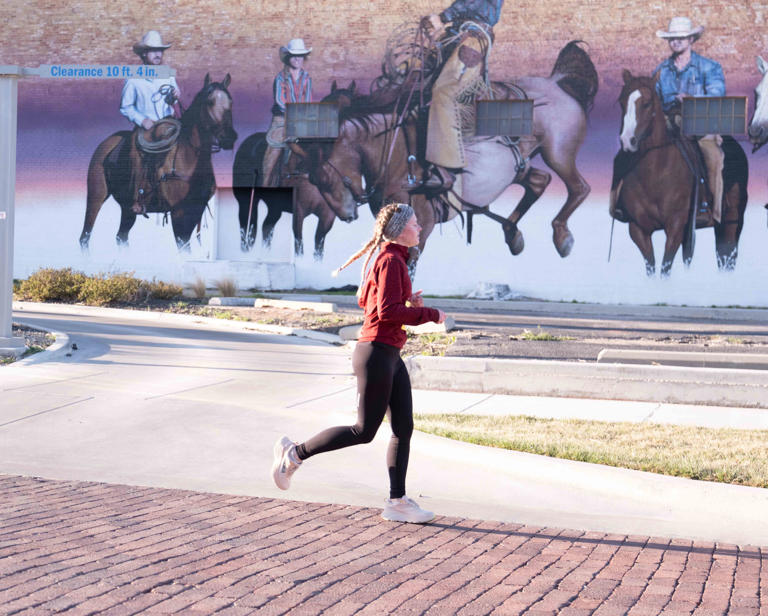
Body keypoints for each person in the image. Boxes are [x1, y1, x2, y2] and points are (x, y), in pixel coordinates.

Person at [272, 203, 447, 524]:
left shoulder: (391, 259)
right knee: (363, 430)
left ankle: (397, 502)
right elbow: (386, 313)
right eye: (415, 223)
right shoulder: (391, 260)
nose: (420, 228)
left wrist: (410, 304)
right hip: (377, 353)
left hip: (389, 353)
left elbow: (370, 303)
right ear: (399, 230)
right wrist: (429, 314)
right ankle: (295, 453)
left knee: (403, 427)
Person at [420, 0, 504, 190]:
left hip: (473, 37)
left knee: (444, 92)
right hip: (459, 34)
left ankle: (447, 168)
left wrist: (442, 17)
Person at [653, 16, 725, 222]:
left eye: (681, 37)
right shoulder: (660, 71)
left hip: (701, 123)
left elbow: (717, 93)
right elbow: (654, 101)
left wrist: (692, 100)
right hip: (669, 124)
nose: (676, 42)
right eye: (672, 38)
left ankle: (713, 211)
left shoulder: (709, 67)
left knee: (714, 157)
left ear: (691, 40)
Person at [119, 30, 181, 214]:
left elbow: (174, 99)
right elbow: (125, 107)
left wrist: (175, 96)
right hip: (146, 128)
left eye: (160, 51)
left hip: (168, 126)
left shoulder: (167, 75)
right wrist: (142, 120)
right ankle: (137, 199)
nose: (158, 55)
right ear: (144, 54)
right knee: (136, 155)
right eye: (153, 51)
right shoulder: (133, 79)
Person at [261, 38, 313, 186]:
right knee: (274, 148)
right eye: (294, 55)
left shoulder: (306, 78)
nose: (297, 59)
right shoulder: (280, 78)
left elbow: (307, 100)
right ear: (288, 57)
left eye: (300, 56)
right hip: (282, 120)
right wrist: (295, 114)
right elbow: (280, 101)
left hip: (301, 119)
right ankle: (265, 184)